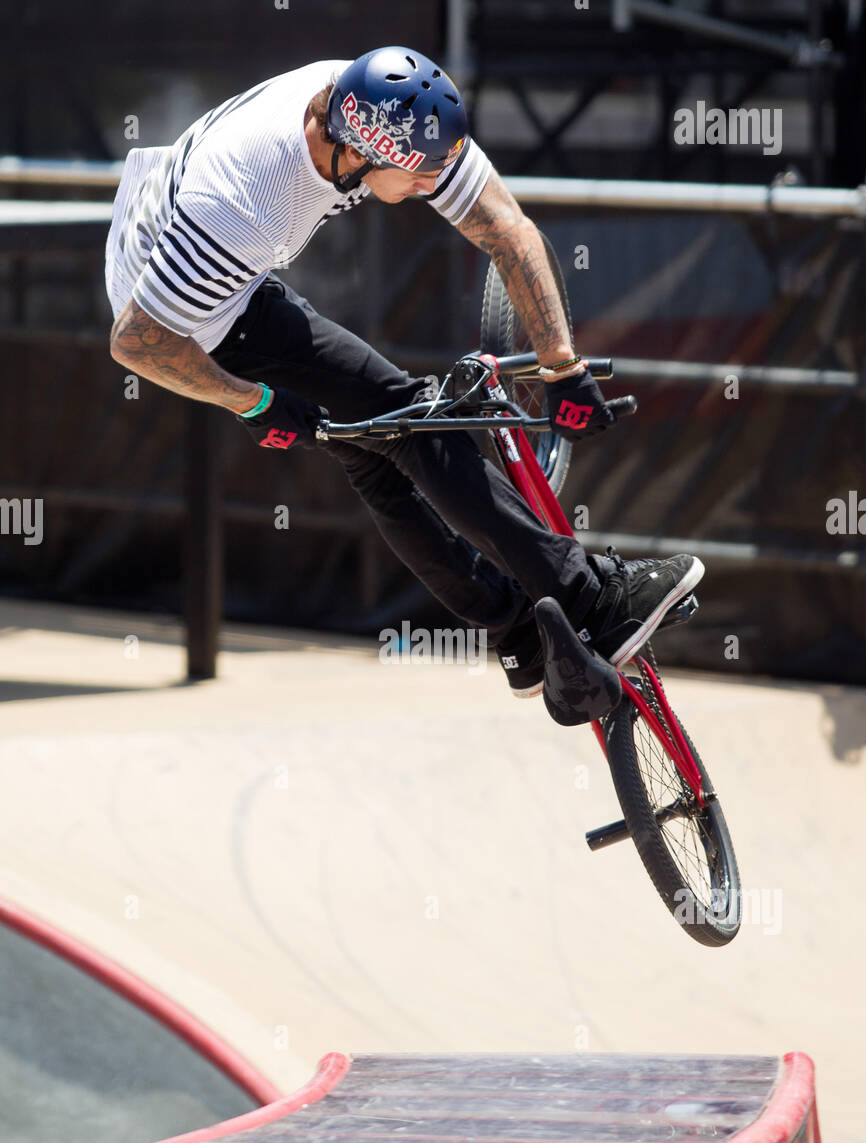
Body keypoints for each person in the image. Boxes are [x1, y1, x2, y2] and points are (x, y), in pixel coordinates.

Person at [105, 46, 703, 721]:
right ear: (360, 157)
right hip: (188, 310)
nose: (431, 188)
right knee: (408, 419)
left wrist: (562, 366)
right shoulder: (245, 200)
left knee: (376, 457)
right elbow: (137, 341)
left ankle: (516, 633)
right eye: (419, 178)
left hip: (206, 255)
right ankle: (589, 597)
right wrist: (253, 401)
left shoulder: (388, 115)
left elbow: (508, 230)